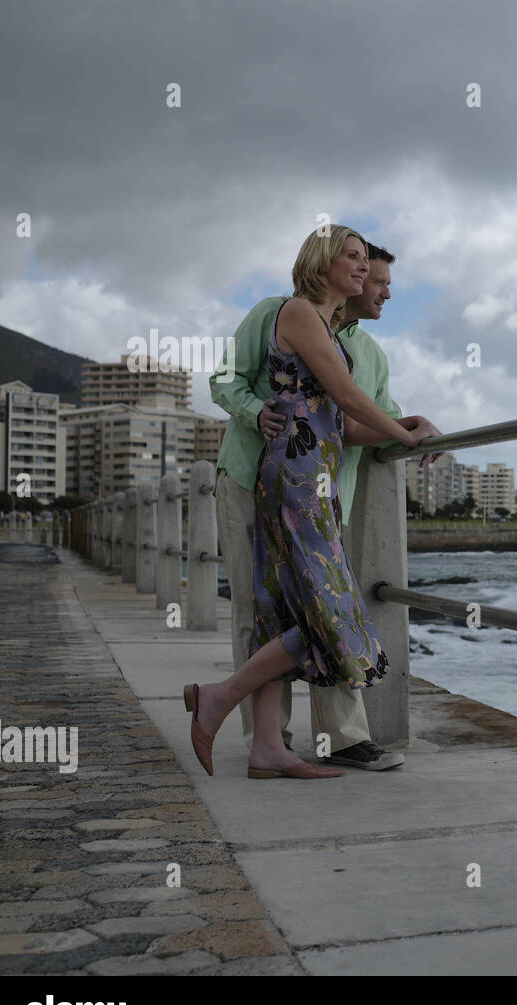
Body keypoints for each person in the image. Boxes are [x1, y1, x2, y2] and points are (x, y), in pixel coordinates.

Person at [187, 226, 436, 779]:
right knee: (290, 609)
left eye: (372, 269)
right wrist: (254, 411)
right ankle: (252, 723)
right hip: (267, 477)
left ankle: (297, 743)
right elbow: (231, 381)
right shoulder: (286, 311)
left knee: (297, 609)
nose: (380, 286)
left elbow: (352, 423)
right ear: (333, 267)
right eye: (366, 268)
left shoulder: (362, 349)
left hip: (316, 486)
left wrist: (408, 427)